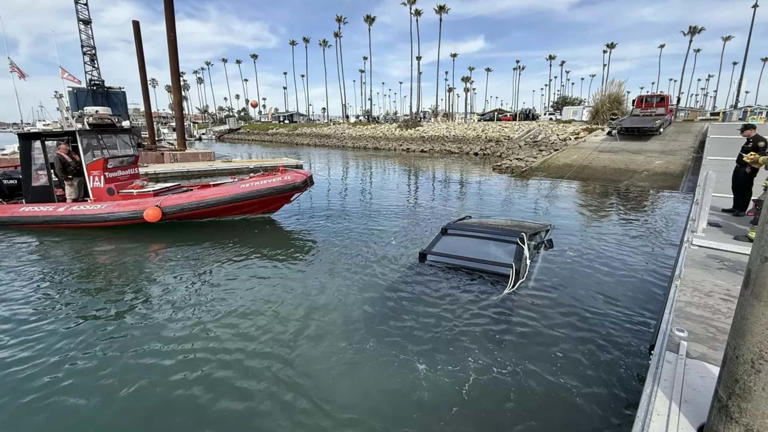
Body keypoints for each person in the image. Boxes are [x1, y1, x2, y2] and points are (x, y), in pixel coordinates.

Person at [721, 123, 767, 217]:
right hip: (739, 166)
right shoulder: (749, 140)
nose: (742, 133)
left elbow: (761, 155)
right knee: (736, 187)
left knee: (745, 188)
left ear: (751, 130)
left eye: (743, 131)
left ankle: (742, 209)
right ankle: (736, 207)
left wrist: (749, 167)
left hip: (747, 168)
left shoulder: (760, 140)